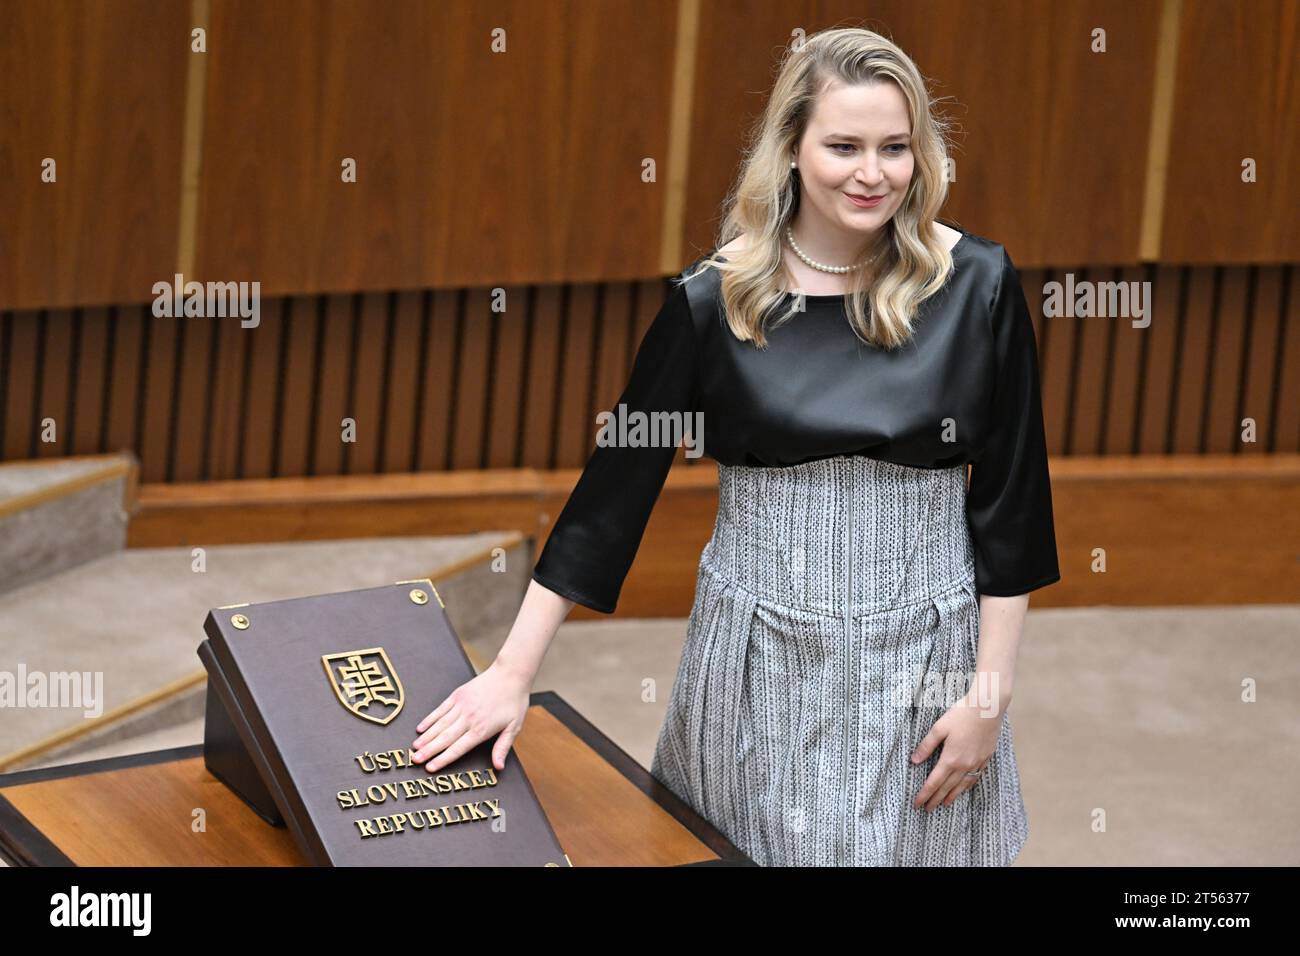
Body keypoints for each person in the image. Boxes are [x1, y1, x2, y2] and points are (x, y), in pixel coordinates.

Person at [409, 26, 1061, 866]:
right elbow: (611, 499)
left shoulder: (976, 283)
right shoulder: (713, 301)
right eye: (844, 146)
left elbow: (1012, 506)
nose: (874, 173)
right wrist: (511, 673)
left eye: (896, 147)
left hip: (926, 655)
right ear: (790, 149)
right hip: (758, 661)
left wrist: (988, 697)